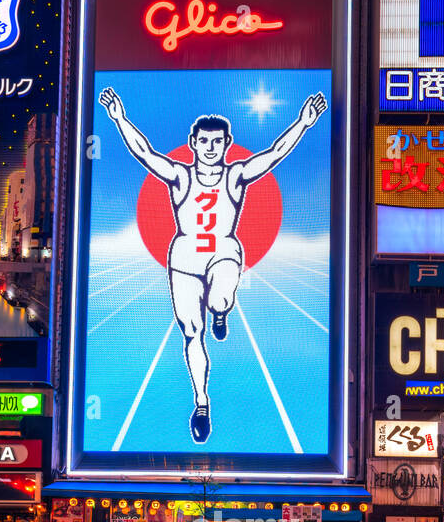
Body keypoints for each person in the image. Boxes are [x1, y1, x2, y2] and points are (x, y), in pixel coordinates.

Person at [99, 87, 327, 443]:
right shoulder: (180, 176)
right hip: (185, 259)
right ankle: (202, 402)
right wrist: (119, 118)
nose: (209, 147)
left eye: (216, 141)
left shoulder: (234, 176)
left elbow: (273, 154)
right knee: (191, 331)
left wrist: (303, 123)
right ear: (193, 142)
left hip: (223, 252)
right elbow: (144, 153)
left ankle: (221, 311)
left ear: (226, 143)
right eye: (203, 141)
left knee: (220, 299)